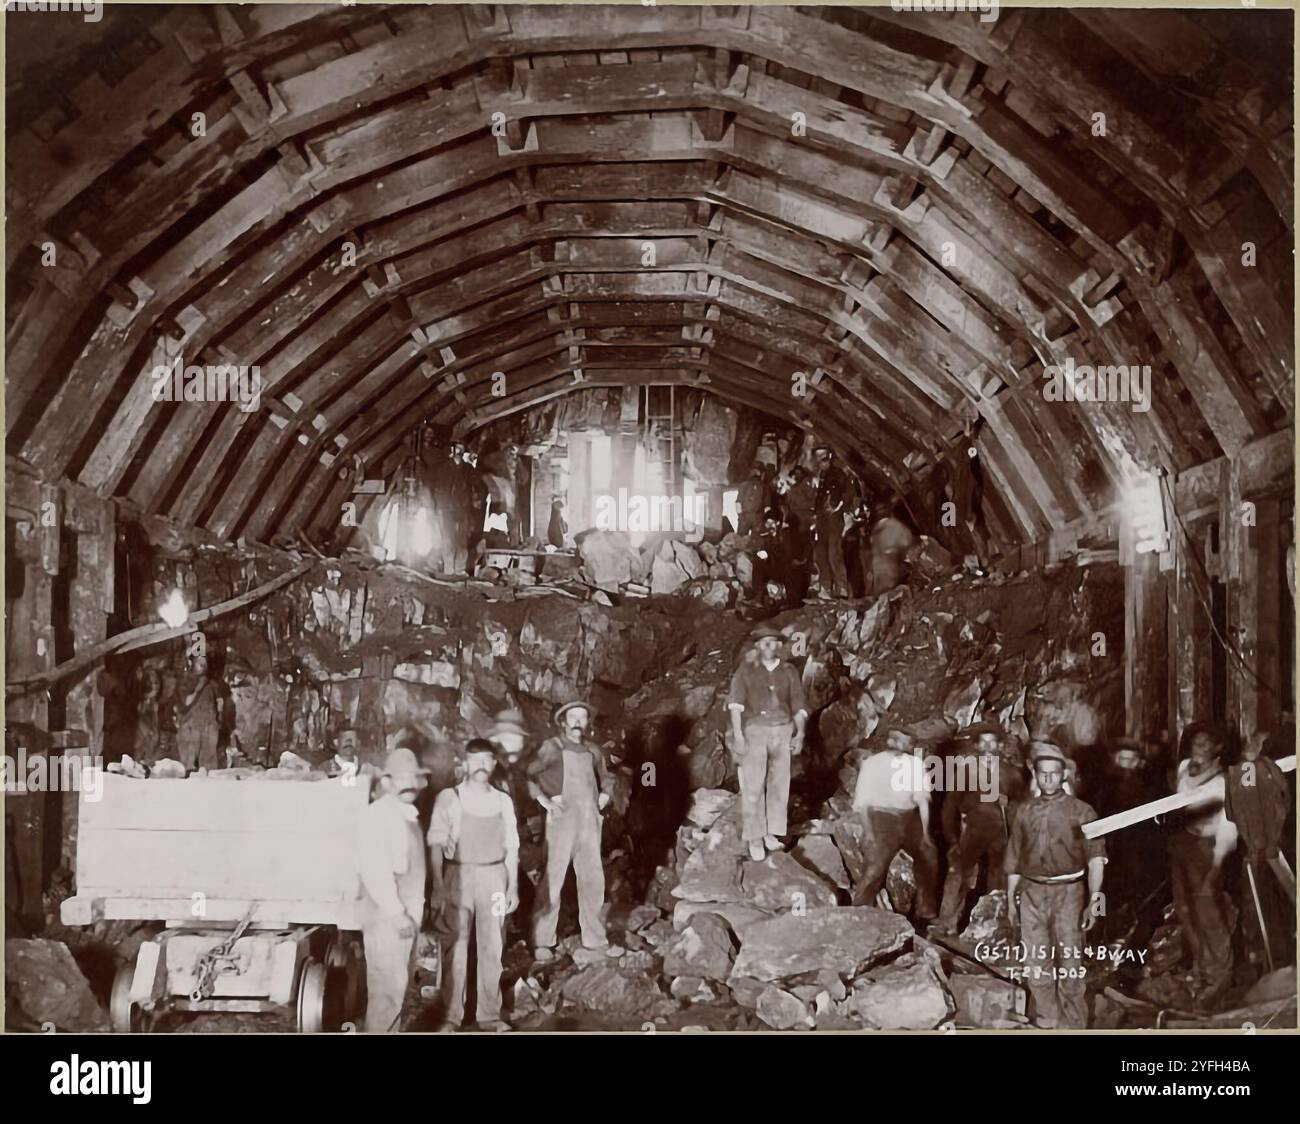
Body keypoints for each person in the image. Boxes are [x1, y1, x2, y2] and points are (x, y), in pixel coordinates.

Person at [1005, 741, 1106, 1028]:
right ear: (1036, 776)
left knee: (1071, 963)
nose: (1048, 778)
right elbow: (1013, 858)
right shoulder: (1023, 812)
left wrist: (1094, 902)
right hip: (1032, 891)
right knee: (1037, 963)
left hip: (1070, 892)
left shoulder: (1082, 812)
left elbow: (1096, 858)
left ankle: (1074, 1026)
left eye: (1054, 773)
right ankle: (1048, 1022)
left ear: (1064, 776)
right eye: (1043, 773)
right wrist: (1012, 901)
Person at [428, 740, 519, 1032]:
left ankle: (489, 1014)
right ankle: (451, 1016)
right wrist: (439, 886)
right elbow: (435, 845)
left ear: (494, 764)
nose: (481, 765)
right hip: (459, 877)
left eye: (487, 759)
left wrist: (513, 886)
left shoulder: (503, 801)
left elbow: (513, 847)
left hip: (494, 877)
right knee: (455, 944)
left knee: (493, 943)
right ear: (464, 763)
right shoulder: (449, 798)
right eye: (475, 759)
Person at [528, 701, 624, 961]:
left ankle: (594, 939)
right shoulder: (552, 747)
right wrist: (546, 802)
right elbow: (529, 776)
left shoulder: (593, 751)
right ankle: (542, 941)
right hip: (562, 821)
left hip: (589, 821)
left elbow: (607, 777)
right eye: (573, 717)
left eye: (582, 717)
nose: (578, 722)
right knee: (553, 878)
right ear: (563, 721)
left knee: (593, 879)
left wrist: (606, 794)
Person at [357, 747, 428, 1032]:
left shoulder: (408, 815)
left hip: (405, 912)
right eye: (401, 778)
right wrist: (397, 914)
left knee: (398, 988)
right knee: (387, 991)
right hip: (386, 914)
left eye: (413, 778)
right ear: (386, 783)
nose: (408, 784)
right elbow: (374, 869)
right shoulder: (379, 816)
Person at [1169, 723, 1239, 1009]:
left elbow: (1228, 828)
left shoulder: (1223, 784)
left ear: (1218, 749)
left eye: (1204, 744)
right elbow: (1179, 795)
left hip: (1208, 848)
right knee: (1184, 909)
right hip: (1184, 840)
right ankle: (1200, 971)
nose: (1196, 749)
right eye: (1194, 743)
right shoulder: (1186, 767)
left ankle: (1220, 976)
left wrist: (1215, 867)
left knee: (1208, 910)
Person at [934, 721, 1025, 935]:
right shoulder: (966, 771)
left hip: (1000, 830)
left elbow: (1024, 804)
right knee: (958, 871)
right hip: (972, 828)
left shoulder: (1011, 774)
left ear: (1000, 747)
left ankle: (990, 924)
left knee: (998, 876)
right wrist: (952, 837)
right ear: (976, 746)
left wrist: (1009, 804)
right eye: (982, 743)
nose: (987, 748)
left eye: (992, 744)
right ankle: (946, 922)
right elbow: (950, 805)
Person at [726, 627, 808, 861]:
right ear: (758, 646)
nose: (770, 647)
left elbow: (799, 705)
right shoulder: (746, 671)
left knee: (779, 785)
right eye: (765, 643)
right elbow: (736, 706)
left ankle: (771, 832)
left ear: (779, 646)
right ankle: (754, 836)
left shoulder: (789, 671)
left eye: (774, 643)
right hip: (756, 732)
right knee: (753, 786)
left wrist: (799, 734)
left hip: (783, 731)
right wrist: (739, 737)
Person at [850, 725, 939, 922]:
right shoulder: (872, 764)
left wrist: (926, 834)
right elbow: (863, 803)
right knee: (876, 864)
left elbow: (922, 800)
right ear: (887, 740)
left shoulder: (916, 764)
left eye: (902, 741)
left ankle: (926, 910)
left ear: (909, 744)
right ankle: (859, 911)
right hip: (882, 818)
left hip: (909, 817)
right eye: (893, 739)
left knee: (929, 856)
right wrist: (869, 833)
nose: (896, 744)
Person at [1226, 730, 1295, 973]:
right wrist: (1257, 842)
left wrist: (1268, 840)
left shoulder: (1266, 768)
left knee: (1283, 896)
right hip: (1262, 846)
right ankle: (1266, 960)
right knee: (1260, 898)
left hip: (1273, 844)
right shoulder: (1247, 771)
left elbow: (1280, 804)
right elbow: (1240, 809)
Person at [812, 445, 851, 599]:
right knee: (821, 553)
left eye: (822, 456)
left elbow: (848, 492)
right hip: (822, 519)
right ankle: (826, 588)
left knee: (833, 553)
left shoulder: (838, 474)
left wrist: (839, 507)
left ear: (828, 457)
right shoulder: (822, 476)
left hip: (833, 519)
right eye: (817, 456)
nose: (820, 459)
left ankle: (842, 588)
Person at [175, 653, 222, 772]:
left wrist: (218, 720)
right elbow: (185, 703)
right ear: (192, 663)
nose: (203, 665)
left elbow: (219, 704)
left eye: (205, 663)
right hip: (191, 728)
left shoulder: (212, 684)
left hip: (209, 726)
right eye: (200, 662)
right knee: (188, 765)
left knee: (209, 766)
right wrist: (199, 685)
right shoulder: (185, 681)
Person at [783, 466, 817, 603]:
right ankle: (795, 592)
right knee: (795, 556)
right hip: (794, 525)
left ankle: (804, 589)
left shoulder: (806, 484)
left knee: (804, 556)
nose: (796, 476)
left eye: (798, 473)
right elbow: (788, 506)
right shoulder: (793, 488)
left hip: (804, 523)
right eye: (794, 474)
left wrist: (807, 518)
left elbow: (812, 502)